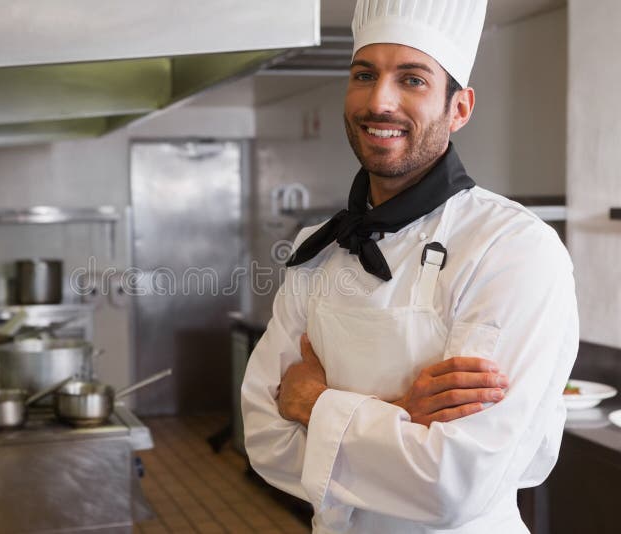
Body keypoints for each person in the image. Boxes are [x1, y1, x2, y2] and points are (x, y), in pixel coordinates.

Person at [240, 1, 579, 533]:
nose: (379, 101)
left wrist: (315, 403)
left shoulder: (512, 248)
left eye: (413, 79)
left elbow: (453, 484)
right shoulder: (318, 248)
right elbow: (263, 440)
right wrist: (399, 411)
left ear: (460, 108)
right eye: (364, 75)